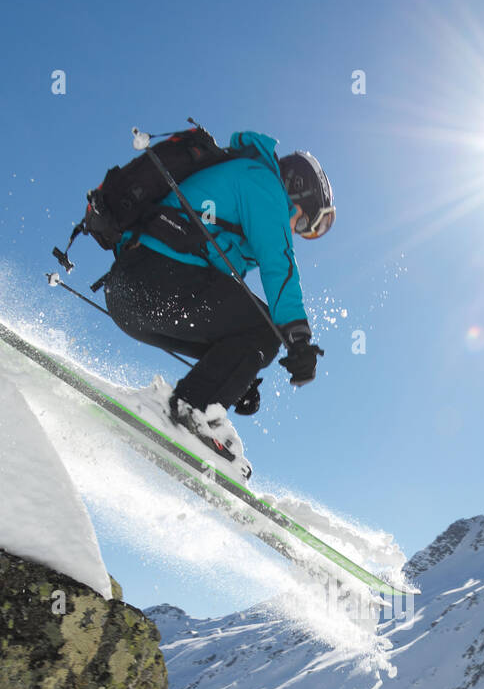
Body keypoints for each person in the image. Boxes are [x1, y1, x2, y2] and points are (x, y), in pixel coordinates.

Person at [102, 130, 333, 458]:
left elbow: (220, 314)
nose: (297, 231)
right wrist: (298, 339)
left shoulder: (240, 196)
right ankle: (189, 411)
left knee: (255, 335)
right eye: (304, 222)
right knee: (266, 330)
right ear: (296, 191)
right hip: (152, 280)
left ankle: (195, 410)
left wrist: (240, 376)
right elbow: (279, 265)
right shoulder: (263, 184)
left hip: (130, 295)